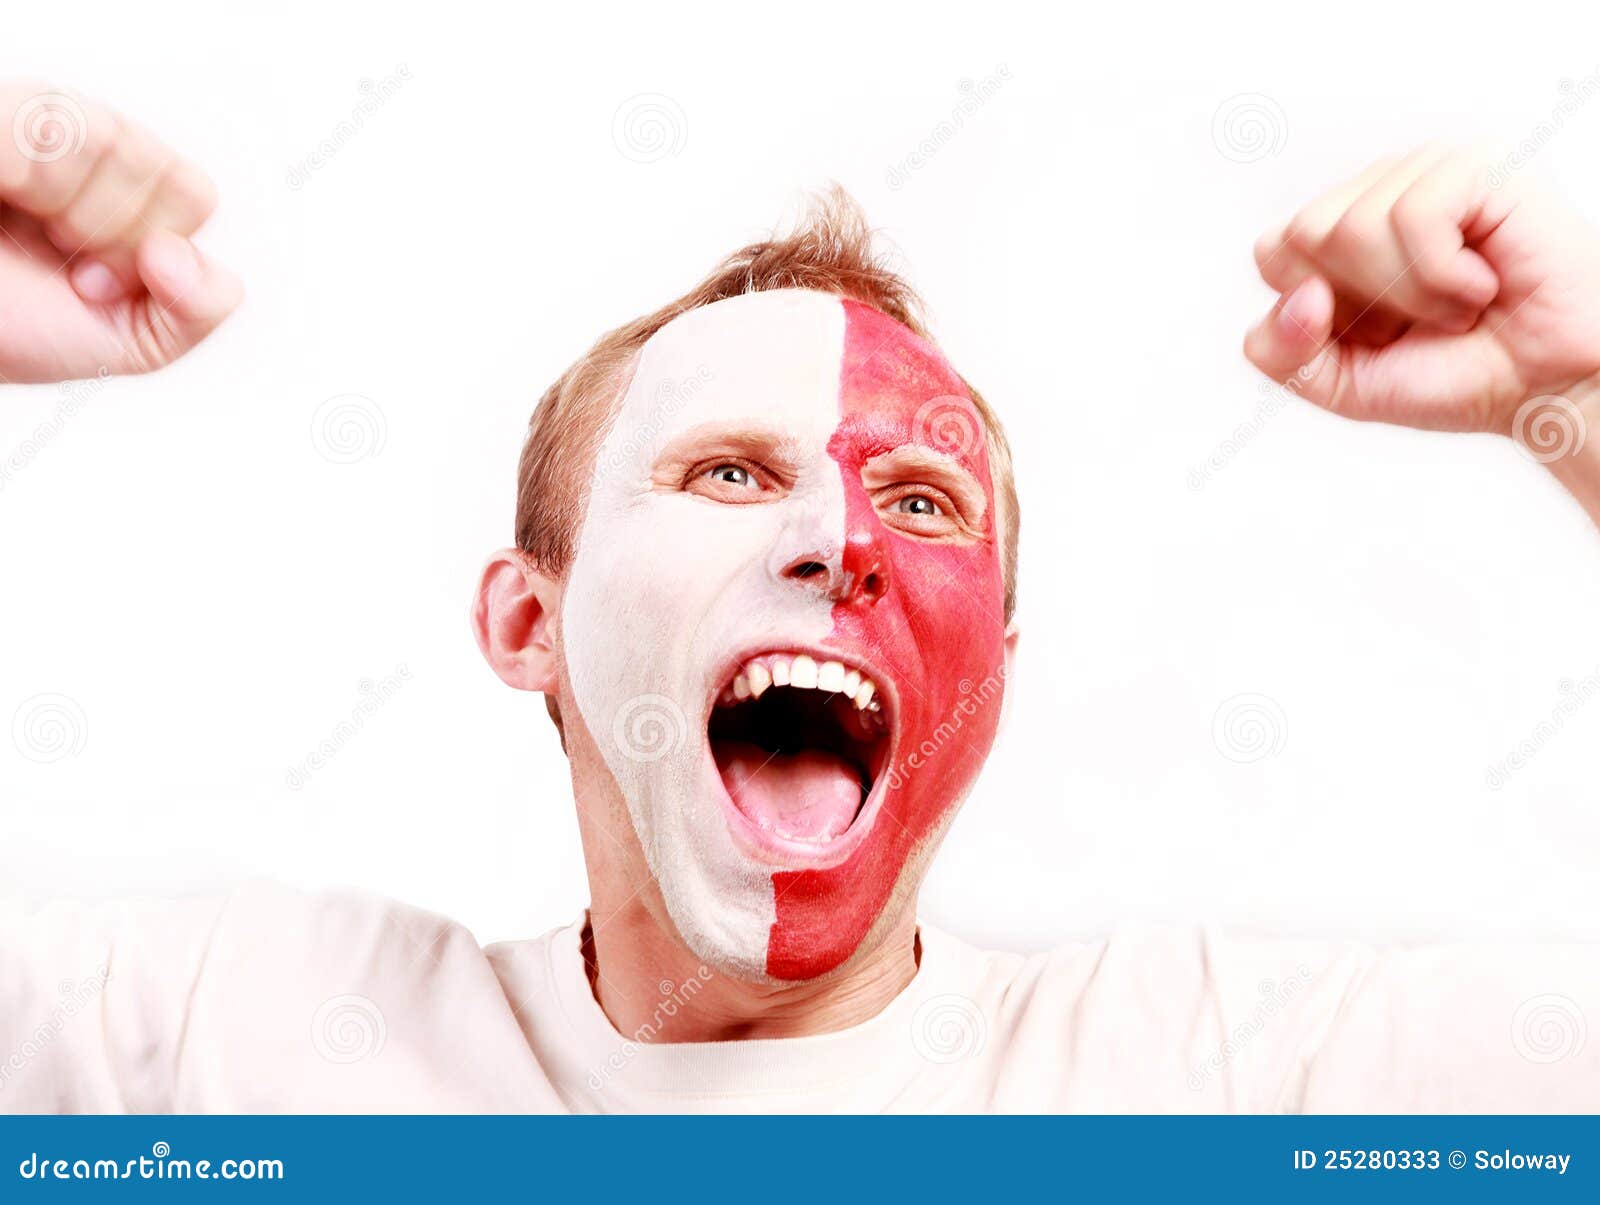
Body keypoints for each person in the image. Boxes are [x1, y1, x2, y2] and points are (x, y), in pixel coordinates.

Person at [2, 85, 1596, 1113]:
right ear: (524, 623)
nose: (849, 539)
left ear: (997, 676)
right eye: (730, 476)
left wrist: (1582, 398)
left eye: (922, 497)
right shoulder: (230, 1047)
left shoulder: (1217, 1084)